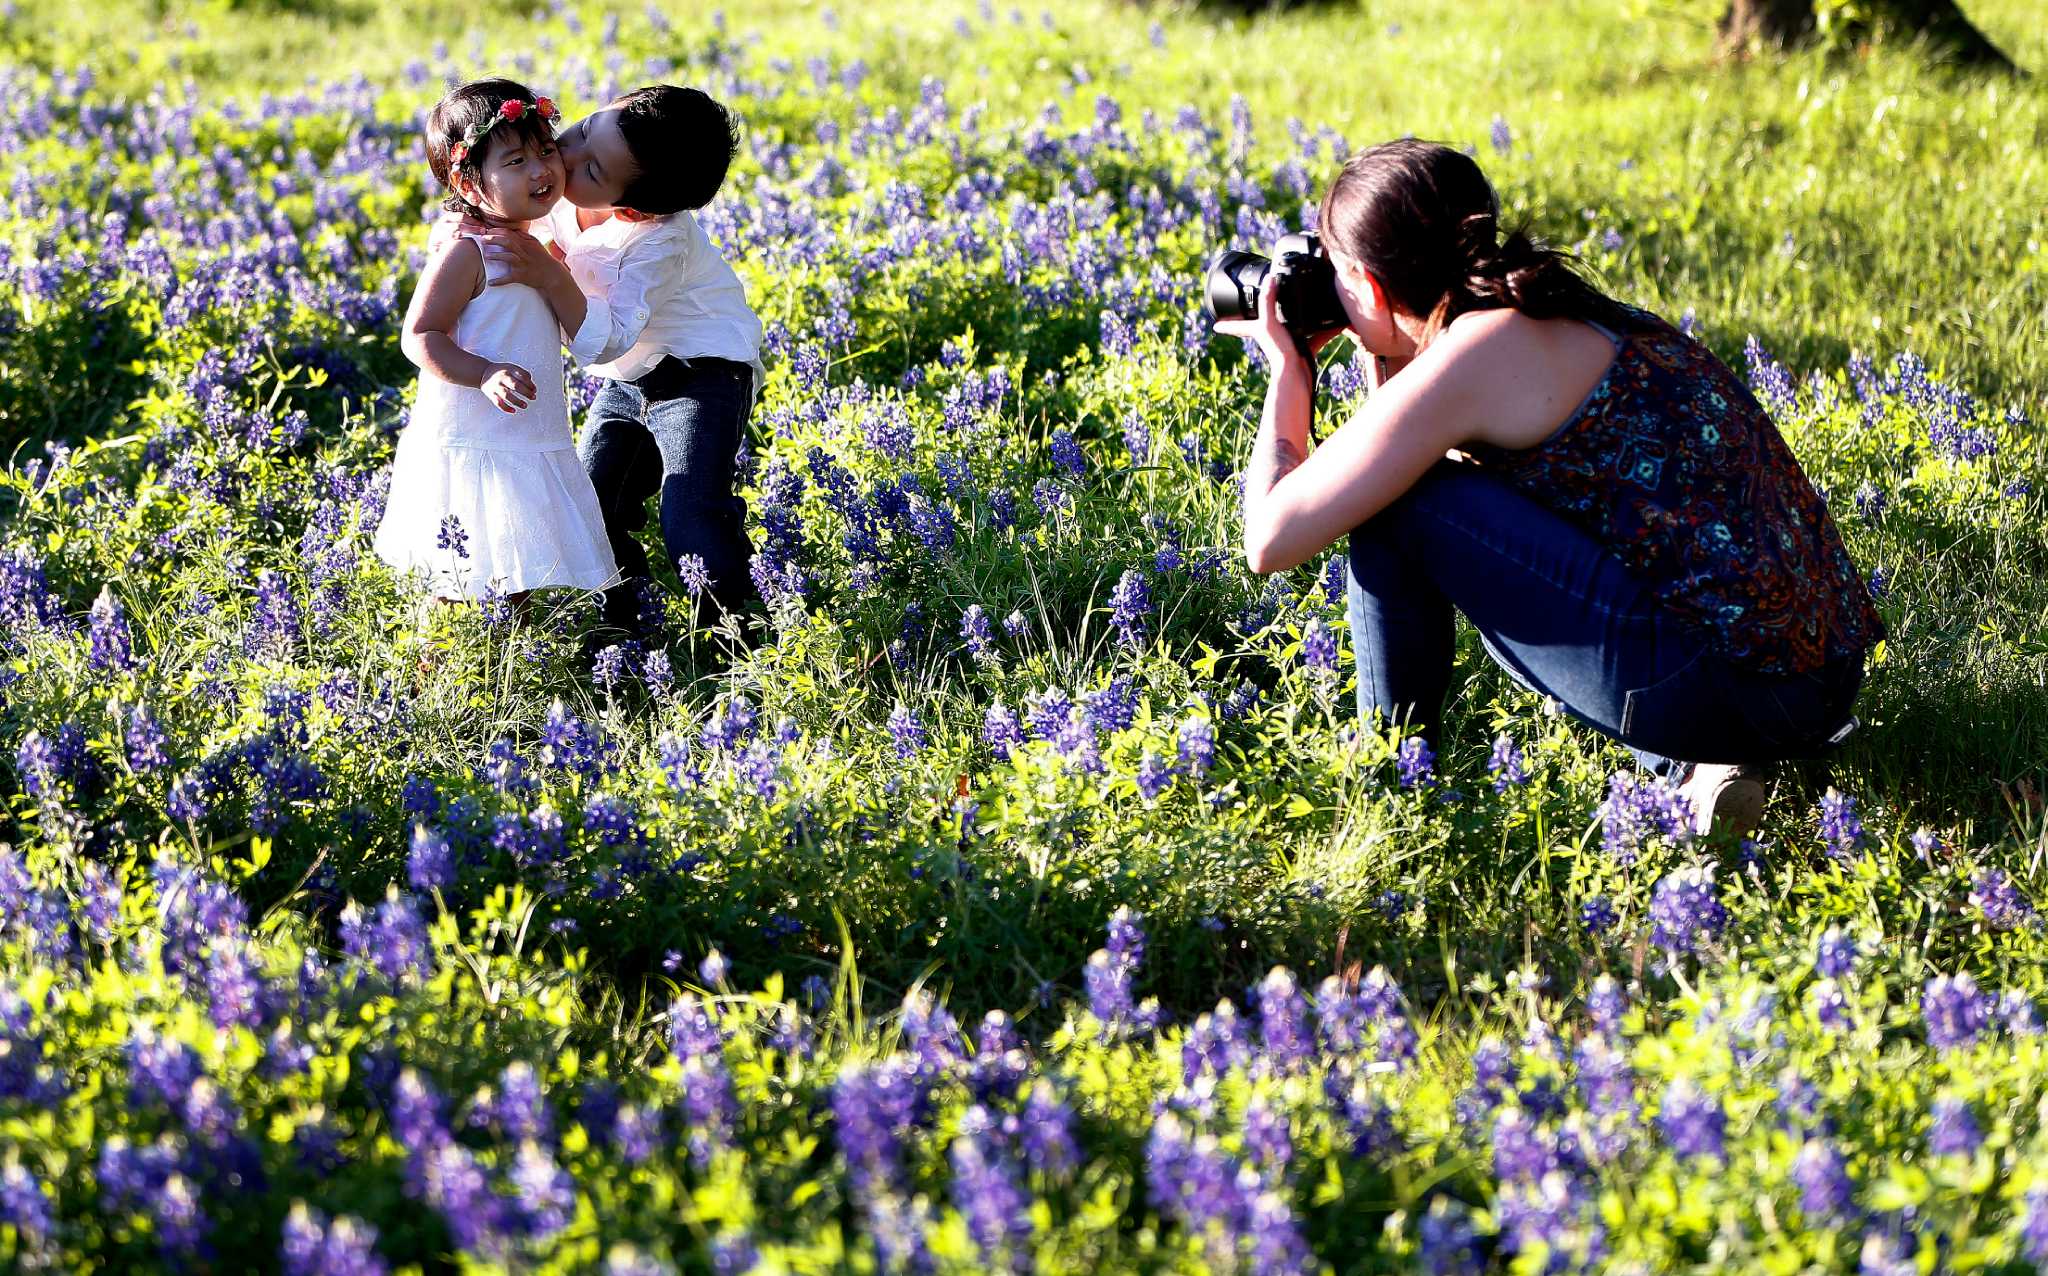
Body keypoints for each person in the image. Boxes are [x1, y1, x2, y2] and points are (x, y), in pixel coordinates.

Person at [1213, 138, 1883, 836]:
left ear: (1373, 285)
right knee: (1441, 498)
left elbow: (1270, 537)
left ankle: (1390, 789)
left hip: (1736, 693)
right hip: (1818, 677)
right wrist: (1386, 348)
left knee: (1399, 512)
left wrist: (1289, 374)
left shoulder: (1479, 352)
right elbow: (1425, 455)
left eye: (1341, 276)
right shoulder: (1558, 310)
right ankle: (1697, 768)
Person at [456, 84, 766, 639]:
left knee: (690, 508)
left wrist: (550, 274)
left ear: (634, 206)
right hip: (629, 381)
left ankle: (738, 632)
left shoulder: (660, 240)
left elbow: (609, 340)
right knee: (595, 497)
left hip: (702, 376)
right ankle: (629, 617)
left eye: (594, 169)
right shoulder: (564, 200)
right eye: (579, 134)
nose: (567, 156)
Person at [376, 78, 618, 608]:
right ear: (467, 182)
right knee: (459, 579)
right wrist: (483, 372)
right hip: (475, 437)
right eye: (515, 162)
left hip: (526, 433)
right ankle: (444, 671)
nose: (541, 170)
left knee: (517, 570)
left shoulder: (539, 242)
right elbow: (418, 335)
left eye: (547, 151)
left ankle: (508, 669)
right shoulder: (466, 253)